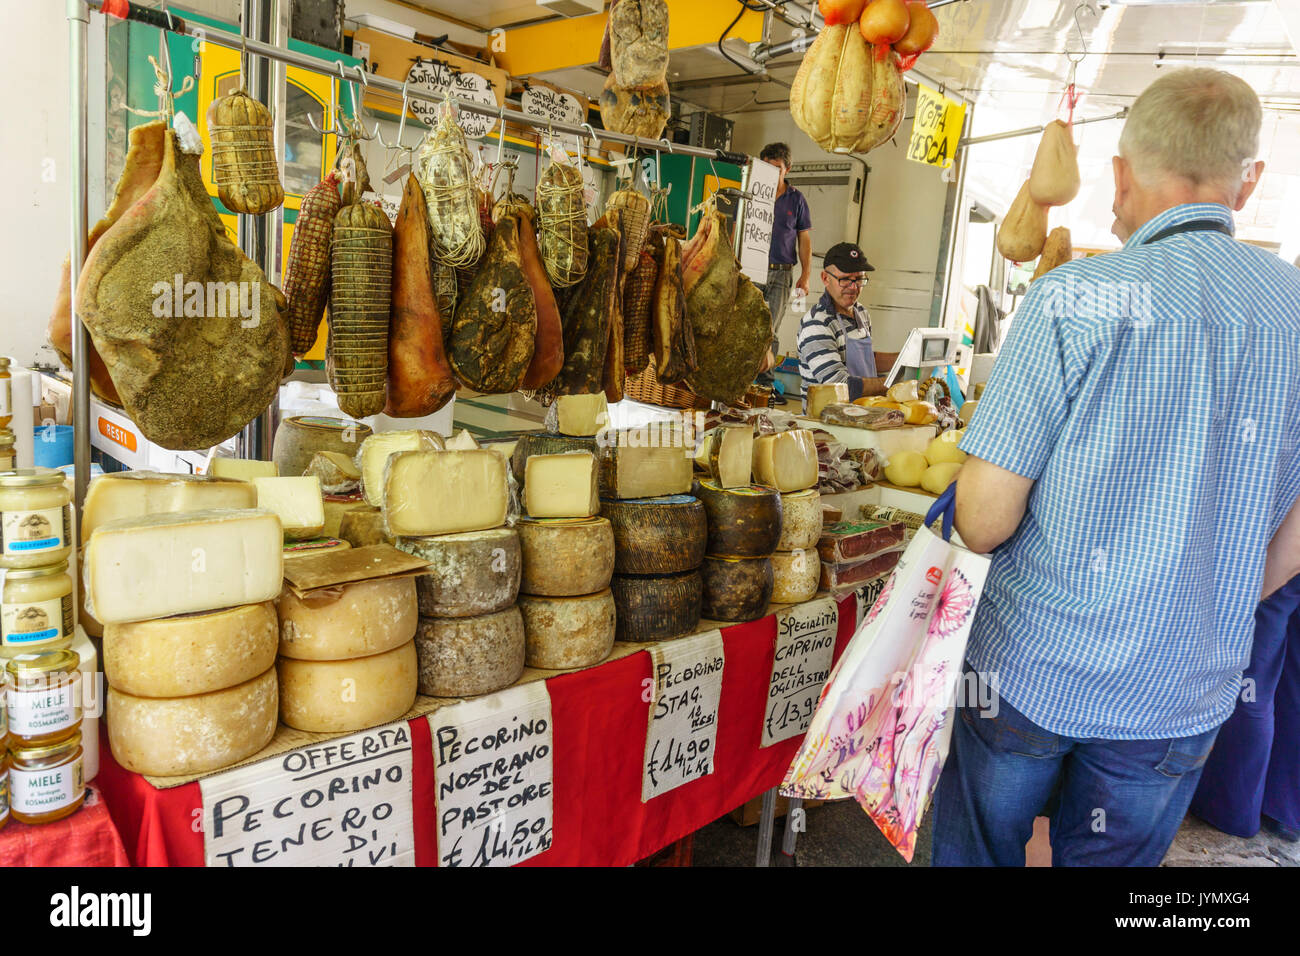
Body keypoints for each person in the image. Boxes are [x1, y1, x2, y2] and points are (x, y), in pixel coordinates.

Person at [934, 68, 1300, 866]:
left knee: (981, 849)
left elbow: (984, 519)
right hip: (1182, 688)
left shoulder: (1074, 298)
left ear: (1123, 173)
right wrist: (1213, 595)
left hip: (1029, 669)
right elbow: (1292, 543)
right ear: (1249, 182)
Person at [796, 242, 896, 401]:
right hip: (828, 420)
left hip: (862, 413)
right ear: (825, 278)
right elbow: (841, 387)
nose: (853, 287)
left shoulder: (861, 313)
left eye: (859, 279)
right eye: (845, 279)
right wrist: (894, 384)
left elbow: (866, 360)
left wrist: (906, 360)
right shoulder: (817, 324)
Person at [756, 143, 812, 393]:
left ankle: (765, 384)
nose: (771, 173)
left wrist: (806, 276)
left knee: (771, 328)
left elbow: (804, 238)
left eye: (776, 168)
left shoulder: (797, 199)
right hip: (753, 268)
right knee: (748, 323)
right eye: (766, 167)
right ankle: (743, 379)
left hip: (782, 271)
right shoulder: (754, 191)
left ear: (786, 169)